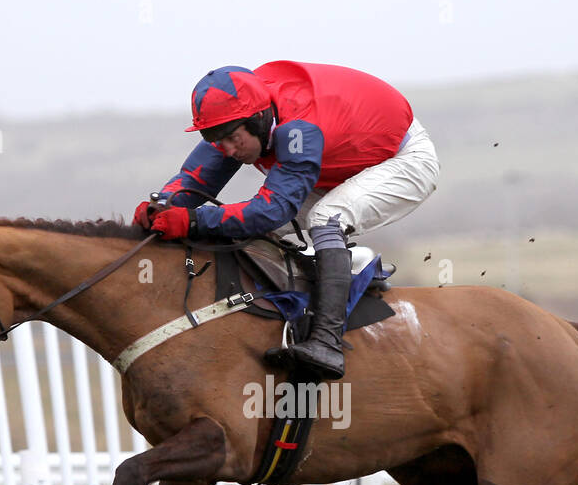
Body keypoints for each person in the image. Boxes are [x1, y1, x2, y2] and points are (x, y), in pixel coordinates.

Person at [134, 62, 439, 379]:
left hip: (404, 160)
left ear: (258, 120)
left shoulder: (298, 129)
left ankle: (327, 342)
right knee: (242, 230)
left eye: (230, 137)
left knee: (324, 218)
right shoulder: (237, 120)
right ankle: (305, 298)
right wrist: (162, 205)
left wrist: (193, 220)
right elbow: (193, 181)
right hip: (341, 159)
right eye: (214, 137)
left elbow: (271, 210)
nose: (224, 148)